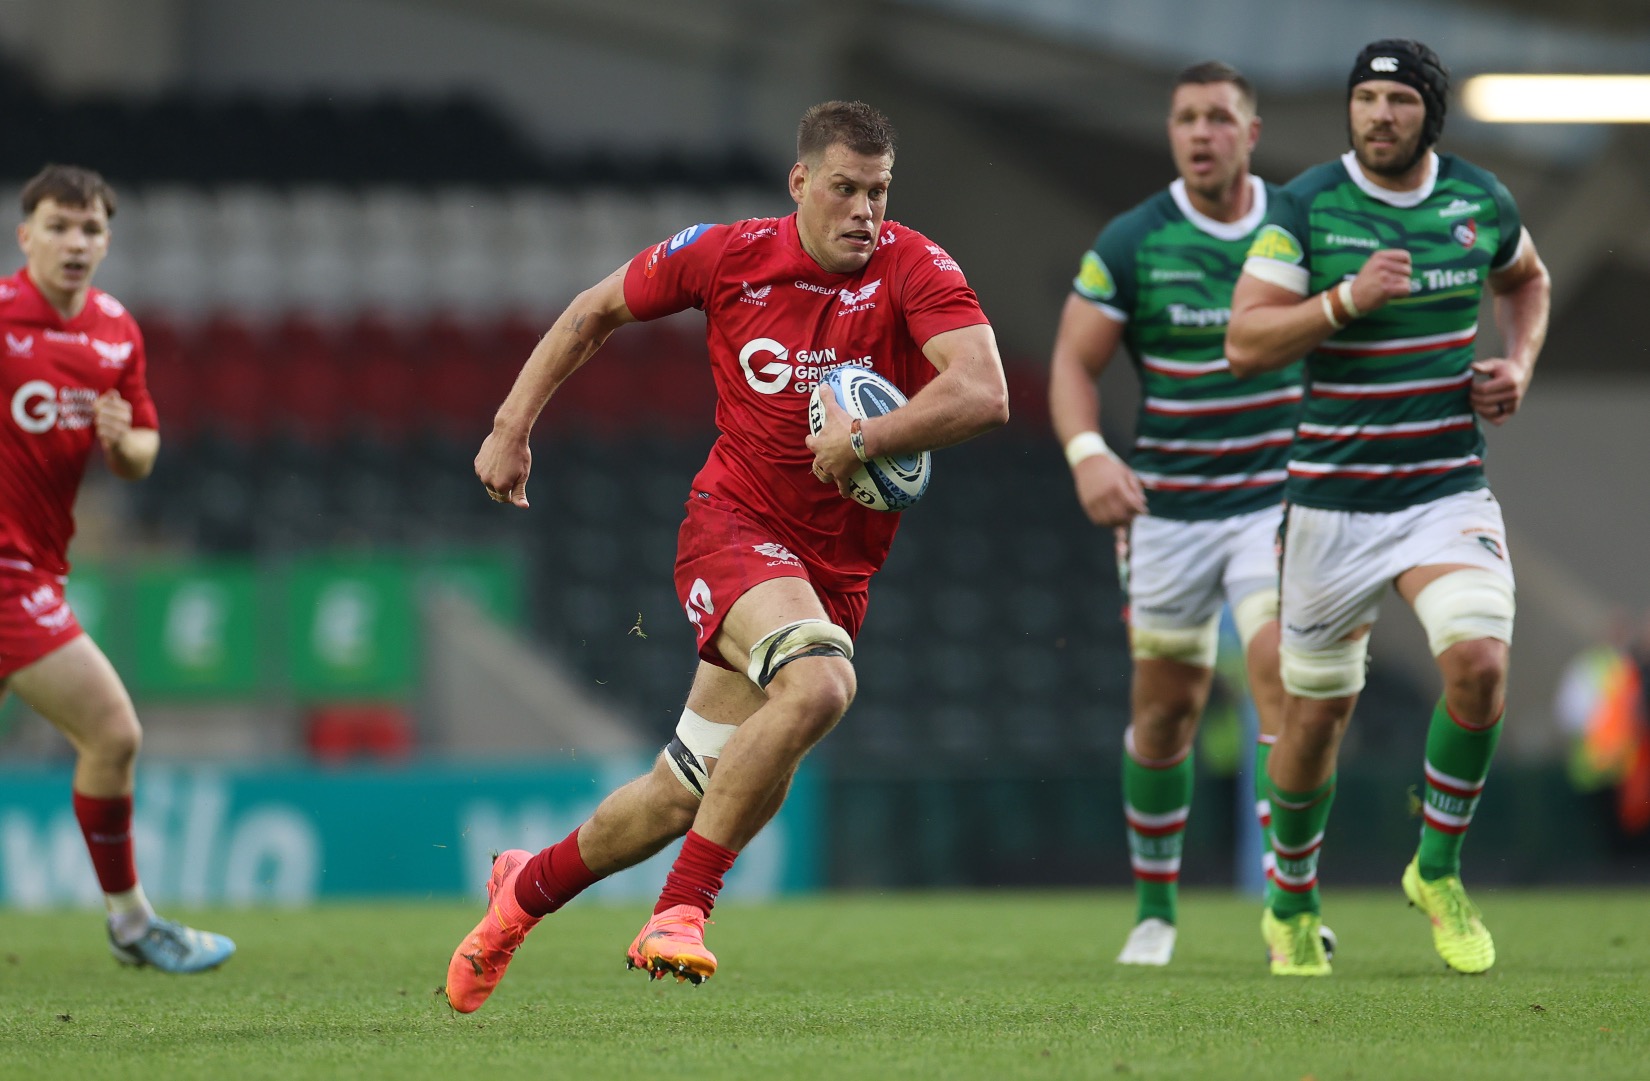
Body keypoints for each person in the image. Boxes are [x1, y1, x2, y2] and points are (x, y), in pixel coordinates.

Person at [445, 100, 1008, 1010]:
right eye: (845, 189)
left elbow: (985, 391)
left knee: (679, 792)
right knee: (821, 685)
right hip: (734, 527)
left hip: (835, 572)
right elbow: (594, 309)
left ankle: (522, 891)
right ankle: (679, 911)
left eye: (878, 191)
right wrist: (512, 426)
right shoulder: (728, 255)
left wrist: (867, 437)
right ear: (800, 183)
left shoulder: (914, 265)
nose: (865, 211)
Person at [1225, 39, 1550, 976]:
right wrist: (1343, 301)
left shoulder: (1479, 200)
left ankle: (1436, 869)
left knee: (1480, 663)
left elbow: (1527, 280)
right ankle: (1291, 902)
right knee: (1315, 721)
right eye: (1365, 98)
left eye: (1398, 100)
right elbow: (1245, 342)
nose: (1378, 114)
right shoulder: (1307, 206)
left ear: (1428, 114)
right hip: (1332, 502)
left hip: (1443, 487)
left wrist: (1518, 363)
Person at [1049, 61, 1309, 967]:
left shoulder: (1298, 228)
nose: (1201, 132)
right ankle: (1155, 911)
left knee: (1282, 673)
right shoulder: (1133, 240)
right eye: (1186, 118)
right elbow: (1073, 362)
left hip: (1275, 500)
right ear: (1171, 133)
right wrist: (1089, 454)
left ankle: (1290, 903)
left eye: (1219, 117)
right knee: (1165, 711)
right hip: (1167, 510)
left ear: (1252, 132)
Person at [0, 164, 235, 973]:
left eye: (91, 228)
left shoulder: (114, 330)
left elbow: (141, 452)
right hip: (6, 575)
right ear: (25, 235)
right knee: (113, 731)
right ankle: (133, 924)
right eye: (58, 226)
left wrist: (120, 439)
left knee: (111, 736)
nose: (75, 242)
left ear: (106, 241)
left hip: (38, 566)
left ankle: (134, 925)